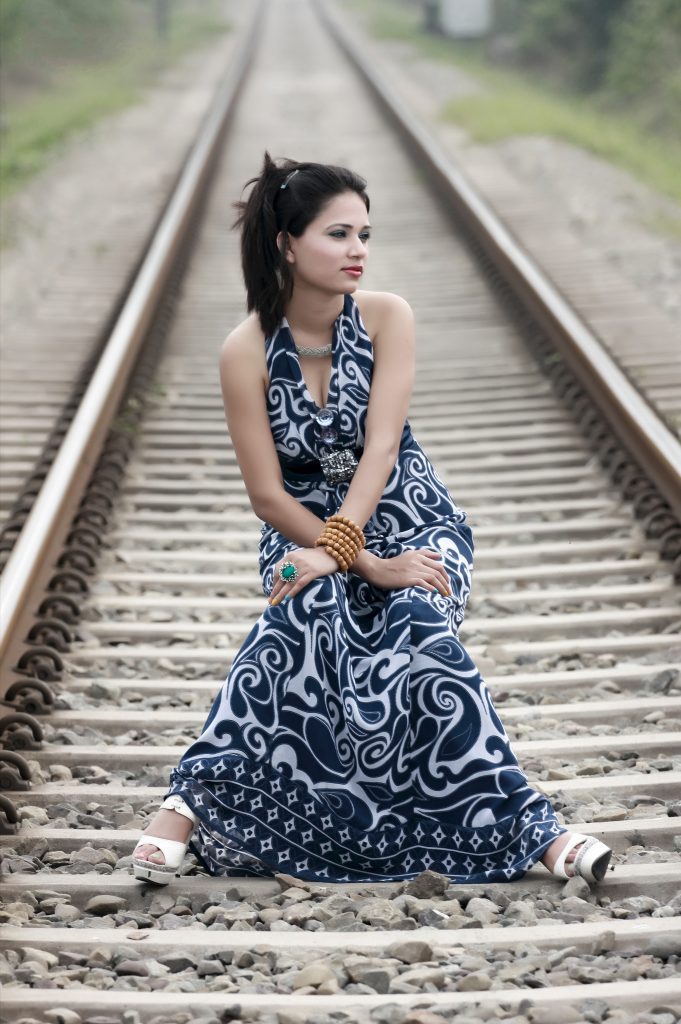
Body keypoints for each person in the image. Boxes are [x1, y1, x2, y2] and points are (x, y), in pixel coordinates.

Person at [132, 152, 613, 888]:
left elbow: (382, 447)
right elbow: (266, 495)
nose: (358, 250)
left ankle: (535, 833)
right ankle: (185, 806)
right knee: (302, 616)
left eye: (364, 234)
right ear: (287, 243)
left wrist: (356, 550)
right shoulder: (244, 352)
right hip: (298, 524)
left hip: (411, 516)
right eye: (338, 234)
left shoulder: (387, 317)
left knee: (417, 627)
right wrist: (344, 559)